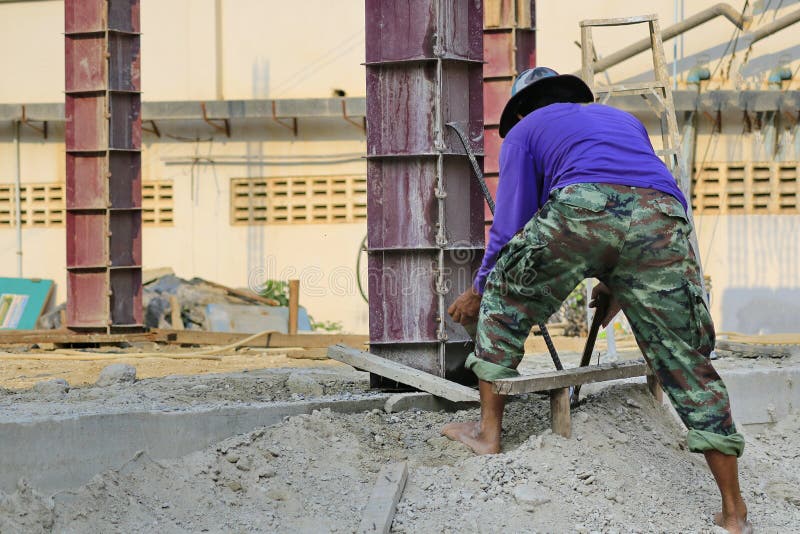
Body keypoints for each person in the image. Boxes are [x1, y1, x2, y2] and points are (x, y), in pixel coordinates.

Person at [442, 67, 750, 533]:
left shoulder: (524, 131)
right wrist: (617, 282)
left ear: (520, 111)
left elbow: (509, 227)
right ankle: (733, 510)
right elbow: (639, 197)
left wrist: (478, 289)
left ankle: (487, 434)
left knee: (505, 295)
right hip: (663, 218)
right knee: (687, 358)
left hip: (581, 206)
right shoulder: (623, 119)